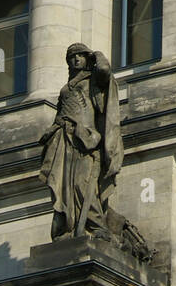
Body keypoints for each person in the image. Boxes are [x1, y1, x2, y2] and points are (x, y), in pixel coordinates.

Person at [39, 43, 123, 240]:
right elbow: (61, 113)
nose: (75, 59)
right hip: (63, 139)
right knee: (62, 185)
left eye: (79, 55)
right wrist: (51, 130)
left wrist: (97, 54)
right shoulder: (66, 88)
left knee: (82, 184)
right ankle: (67, 227)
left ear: (87, 58)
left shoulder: (92, 79)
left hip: (86, 140)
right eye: (71, 57)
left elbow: (104, 69)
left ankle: (96, 226)